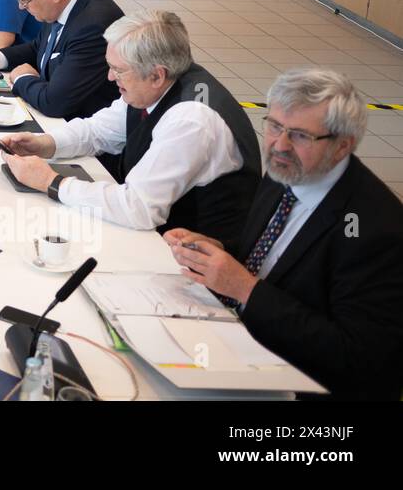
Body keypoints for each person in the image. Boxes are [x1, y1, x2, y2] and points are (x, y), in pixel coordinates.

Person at [165, 68, 403, 400]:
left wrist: (245, 288)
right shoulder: (286, 172)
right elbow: (277, 252)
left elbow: (359, 359)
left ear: (342, 145)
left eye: (301, 135)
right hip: (235, 342)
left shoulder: (376, 230)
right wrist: (218, 248)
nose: (280, 144)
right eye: (274, 125)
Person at [0, 10, 261, 246]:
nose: (110, 77)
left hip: (191, 260)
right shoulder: (155, 83)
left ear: (157, 75)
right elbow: (99, 130)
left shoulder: (191, 120)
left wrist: (50, 181)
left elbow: (139, 208)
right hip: (158, 236)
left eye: (118, 70)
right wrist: (45, 143)